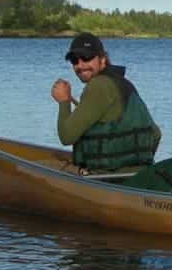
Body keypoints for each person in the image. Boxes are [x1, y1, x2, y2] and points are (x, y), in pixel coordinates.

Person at [50, 32, 161, 175]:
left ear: (102, 60)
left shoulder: (98, 86)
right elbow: (156, 134)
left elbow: (66, 137)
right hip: (138, 175)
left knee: (39, 166)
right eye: (74, 60)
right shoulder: (123, 83)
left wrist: (64, 101)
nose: (80, 65)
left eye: (87, 57)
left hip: (106, 178)